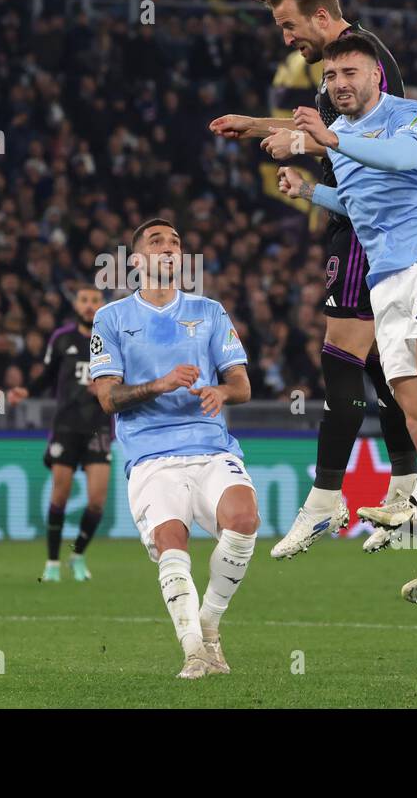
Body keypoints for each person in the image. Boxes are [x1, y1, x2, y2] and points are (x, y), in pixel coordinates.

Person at [209, 0, 417, 557]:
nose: (286, 39)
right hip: (355, 221)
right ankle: (406, 487)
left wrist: (302, 144)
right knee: (380, 360)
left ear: (321, 16)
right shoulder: (345, 69)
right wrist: (258, 127)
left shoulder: (363, 64)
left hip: (362, 224)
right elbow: (333, 127)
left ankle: (327, 498)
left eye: (288, 25)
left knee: (339, 357)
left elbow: (372, 143)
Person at [283, 31, 417, 603]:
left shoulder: (409, 117)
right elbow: (361, 203)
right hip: (385, 280)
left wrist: (330, 143)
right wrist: (311, 190)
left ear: (376, 77)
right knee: (414, 406)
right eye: (330, 77)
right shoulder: (339, 135)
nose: (339, 83)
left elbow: (402, 159)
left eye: (350, 73)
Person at [90, 219, 257, 678]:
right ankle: (193, 651)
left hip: (210, 446)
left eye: (175, 243)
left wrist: (223, 393)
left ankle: (208, 625)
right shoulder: (112, 319)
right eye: (156, 242)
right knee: (171, 542)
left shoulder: (209, 311)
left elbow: (241, 382)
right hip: (151, 456)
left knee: (244, 522)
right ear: (136, 261)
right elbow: (107, 397)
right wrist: (160, 385)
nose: (168, 248)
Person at [8, 284, 111, 583]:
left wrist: (106, 388)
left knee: (96, 501)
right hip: (66, 425)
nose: (89, 305)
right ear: (76, 305)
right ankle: (52, 562)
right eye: (84, 300)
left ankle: (77, 555)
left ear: (102, 304)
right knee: (60, 495)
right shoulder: (62, 338)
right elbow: (47, 375)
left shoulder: (112, 341)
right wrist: (26, 390)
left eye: (94, 300)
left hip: (99, 425)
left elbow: (125, 380)